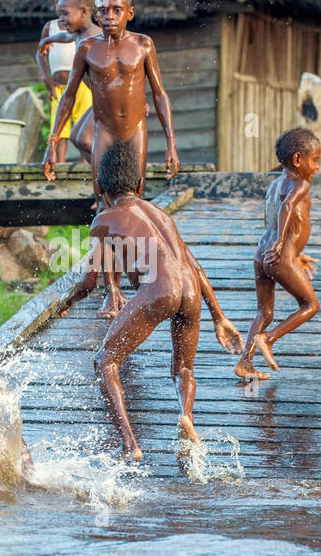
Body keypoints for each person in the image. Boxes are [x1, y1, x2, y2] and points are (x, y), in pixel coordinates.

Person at [57, 140, 243, 462]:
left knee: (106, 361)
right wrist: (219, 316)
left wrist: (67, 301)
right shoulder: (161, 214)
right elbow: (193, 264)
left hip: (160, 289)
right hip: (190, 291)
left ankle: (130, 446)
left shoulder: (103, 220)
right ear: (141, 184)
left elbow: (88, 281)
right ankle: (186, 419)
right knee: (183, 367)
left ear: (99, 186)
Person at [42, 0, 180, 319]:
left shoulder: (144, 45)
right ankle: (111, 288)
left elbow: (159, 95)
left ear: (129, 13)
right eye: (103, 10)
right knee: (104, 206)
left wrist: (171, 144)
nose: (109, 16)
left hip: (135, 131)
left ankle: (138, 277)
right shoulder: (87, 49)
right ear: (96, 13)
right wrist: (50, 144)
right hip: (104, 131)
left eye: (116, 10)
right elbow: (69, 96)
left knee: (133, 202)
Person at [235, 127, 321, 381]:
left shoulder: (274, 183)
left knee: (264, 312)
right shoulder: (301, 184)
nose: (316, 167)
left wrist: (295, 253)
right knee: (310, 305)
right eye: (314, 160)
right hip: (279, 255)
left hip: (262, 253)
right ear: (297, 160)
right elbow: (286, 207)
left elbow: (271, 216)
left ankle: (245, 363)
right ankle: (269, 338)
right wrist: (284, 246)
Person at [36, 0, 101, 164]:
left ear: (83, 11)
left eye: (65, 12)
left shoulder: (97, 37)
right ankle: (98, 175)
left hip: (102, 94)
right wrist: (46, 41)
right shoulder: (75, 33)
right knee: (74, 136)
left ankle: (102, 172)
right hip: (67, 87)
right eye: (59, 10)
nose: (61, 17)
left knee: (86, 138)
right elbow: (65, 36)